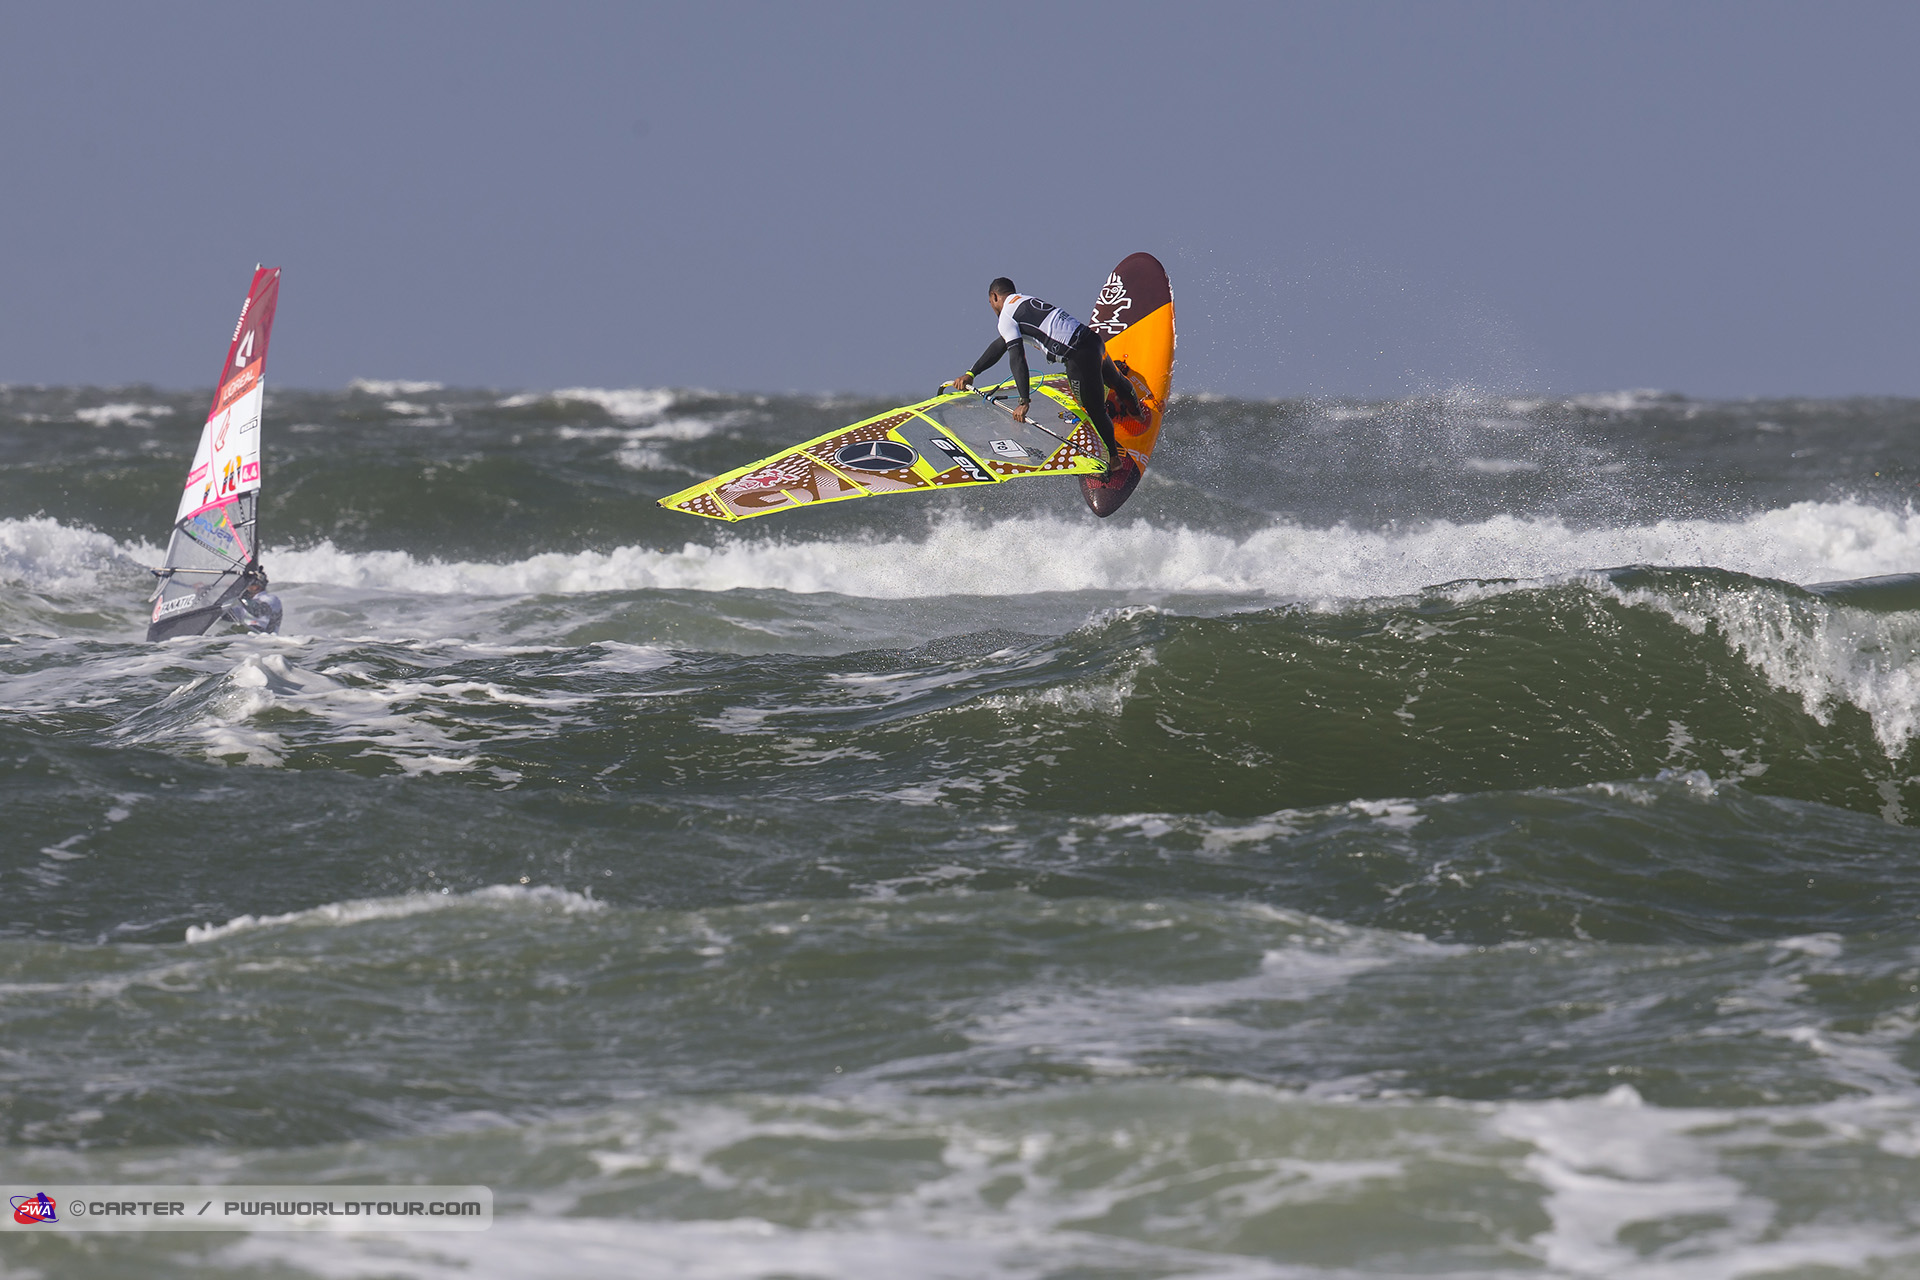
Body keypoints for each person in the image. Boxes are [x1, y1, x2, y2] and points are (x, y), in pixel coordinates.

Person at [953, 277, 1145, 472]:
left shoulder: (1006, 317)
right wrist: (971, 373)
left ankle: (1114, 459)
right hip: (1092, 341)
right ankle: (1137, 413)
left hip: (1077, 357)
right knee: (1115, 380)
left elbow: (1017, 358)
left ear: (994, 297)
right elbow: (1000, 345)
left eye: (990, 303)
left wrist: (1024, 401)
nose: (992, 309)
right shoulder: (1023, 302)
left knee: (1094, 409)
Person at [223, 565, 283, 634]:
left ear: (257, 587)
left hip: (264, 637)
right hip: (247, 636)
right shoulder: (243, 606)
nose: (246, 587)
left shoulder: (271, 599)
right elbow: (227, 615)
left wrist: (242, 597)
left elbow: (257, 612)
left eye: (249, 584)